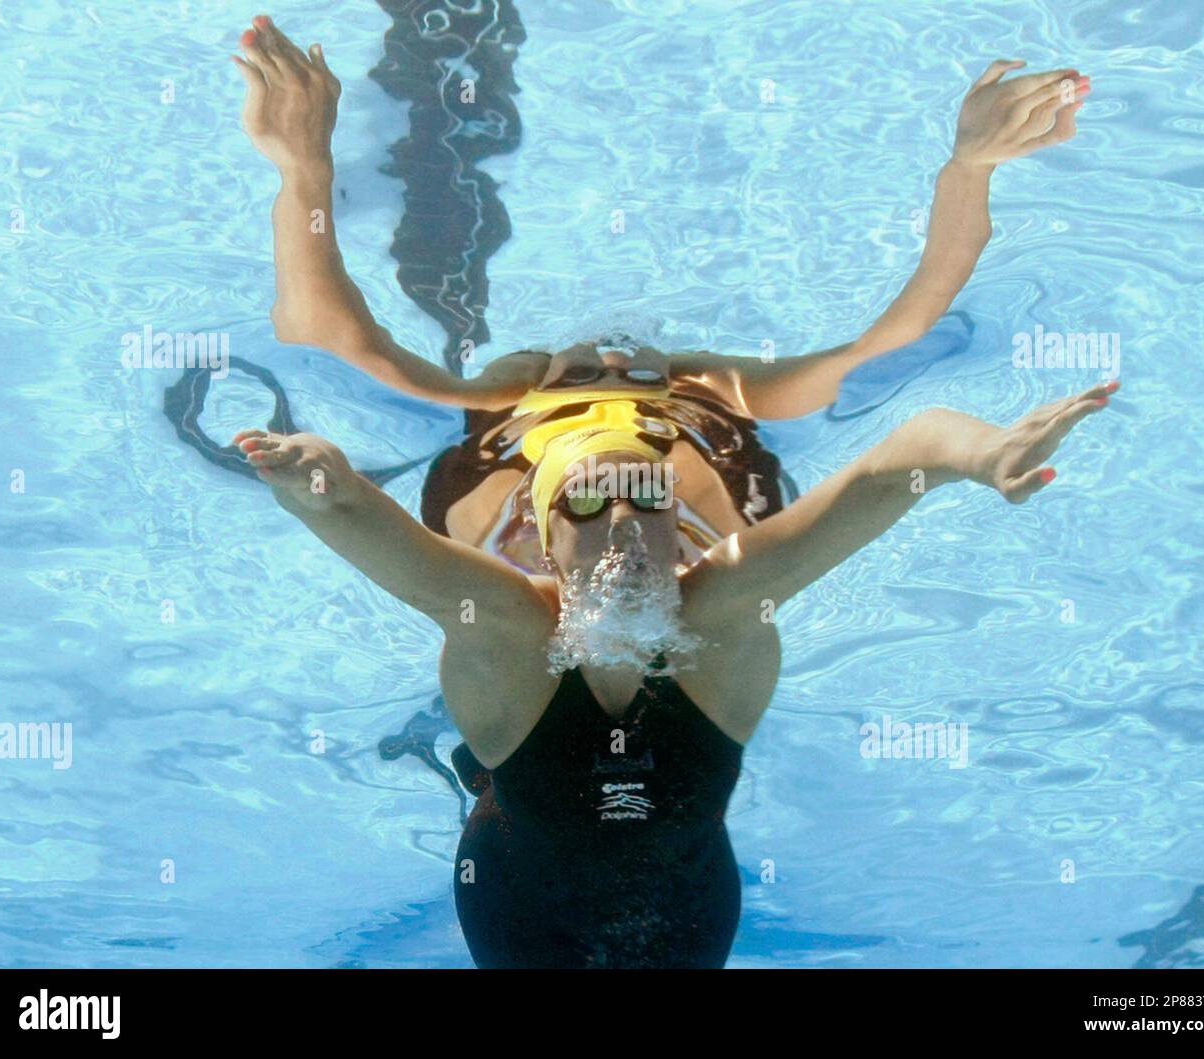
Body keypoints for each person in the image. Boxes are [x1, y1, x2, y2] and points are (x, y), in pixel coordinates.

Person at [230, 15, 1105, 967]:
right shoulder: (717, 451)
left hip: (532, 823)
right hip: (664, 842)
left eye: (601, 493)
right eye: (646, 490)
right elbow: (897, 374)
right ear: (683, 523)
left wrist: (303, 172)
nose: (612, 377)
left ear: (532, 528)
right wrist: (967, 176)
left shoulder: (504, 445)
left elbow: (328, 338)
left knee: (505, 728)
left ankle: (488, 781)